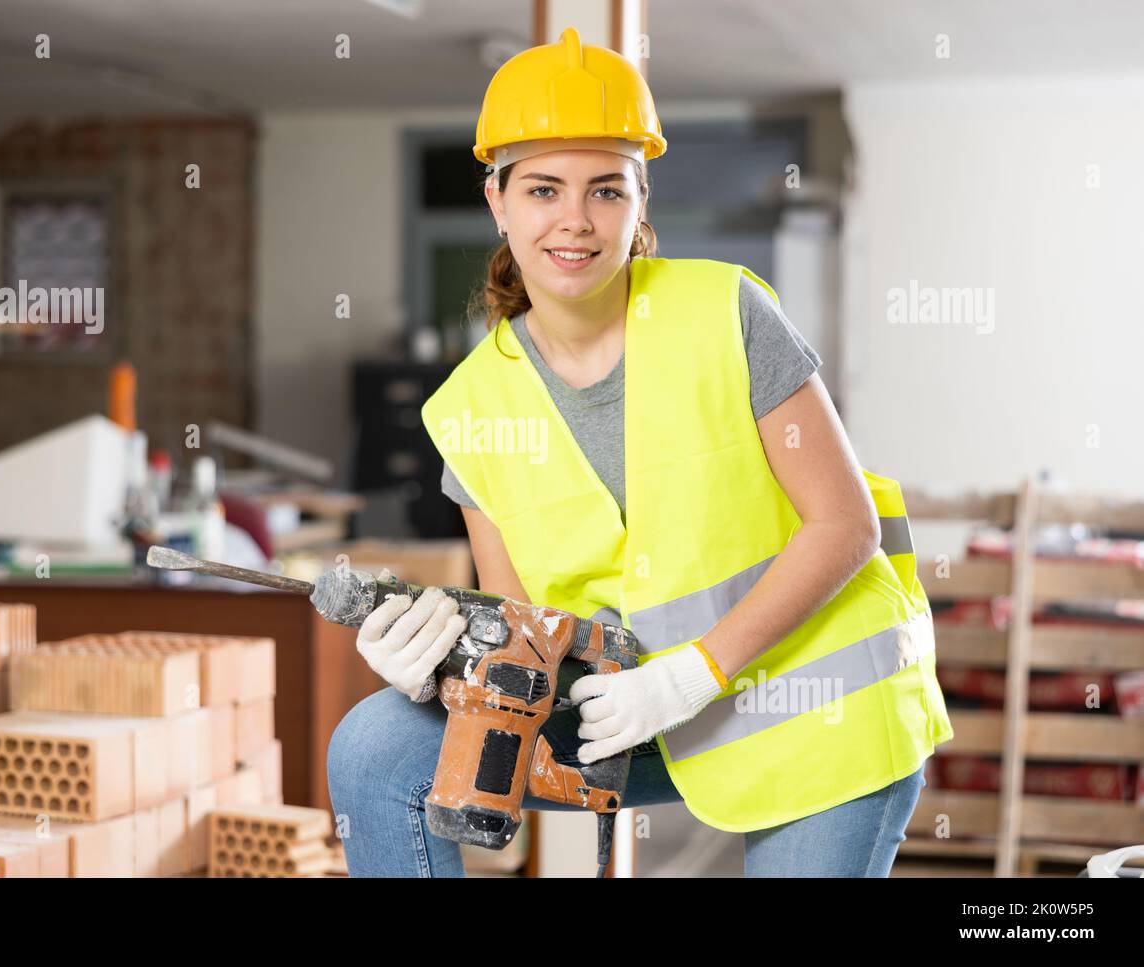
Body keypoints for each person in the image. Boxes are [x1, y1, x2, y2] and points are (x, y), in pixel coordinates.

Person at [327, 26, 953, 878]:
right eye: (544, 189)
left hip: (812, 706)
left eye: (607, 191)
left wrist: (690, 675)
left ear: (640, 201)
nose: (575, 221)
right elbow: (531, 644)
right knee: (378, 744)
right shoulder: (471, 410)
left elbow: (846, 527)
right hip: (625, 715)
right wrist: (434, 669)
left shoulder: (726, 315)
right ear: (497, 201)